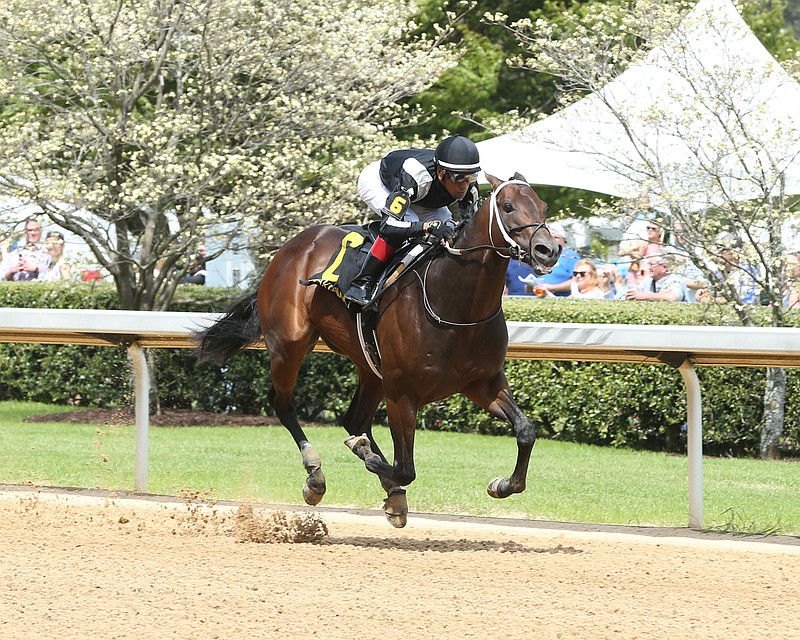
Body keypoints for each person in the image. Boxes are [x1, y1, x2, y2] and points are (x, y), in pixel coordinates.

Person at [343, 135, 481, 305]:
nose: (464, 185)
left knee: (449, 228)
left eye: (471, 177)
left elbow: (473, 229)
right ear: (440, 172)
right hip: (382, 184)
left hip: (422, 195)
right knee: (409, 220)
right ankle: (363, 282)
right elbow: (389, 226)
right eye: (459, 178)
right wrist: (428, 227)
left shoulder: (468, 185)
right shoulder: (416, 175)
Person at [531, 222, 580, 297]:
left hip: (561, 299)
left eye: (556, 237)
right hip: (540, 297)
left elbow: (576, 281)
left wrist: (550, 287)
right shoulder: (543, 255)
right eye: (550, 237)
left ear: (564, 240)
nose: (552, 239)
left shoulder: (570, 256)